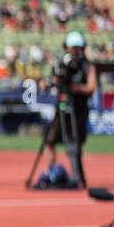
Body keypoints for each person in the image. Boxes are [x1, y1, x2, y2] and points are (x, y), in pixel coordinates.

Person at [41, 31, 95, 186]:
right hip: (62, 107)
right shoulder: (62, 64)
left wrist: (76, 88)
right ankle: (50, 172)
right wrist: (49, 82)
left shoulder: (87, 66)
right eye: (72, 48)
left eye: (78, 48)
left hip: (79, 109)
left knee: (74, 144)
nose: (75, 51)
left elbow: (91, 87)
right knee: (49, 140)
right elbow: (54, 80)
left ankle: (78, 178)